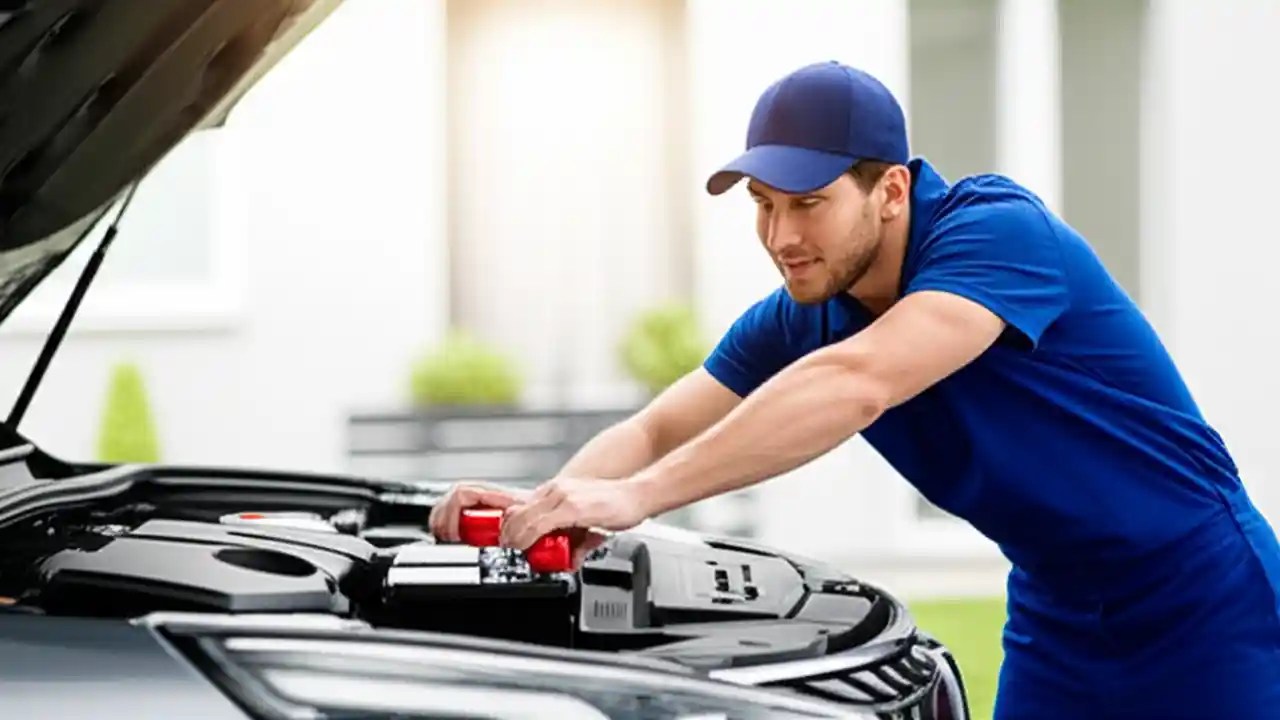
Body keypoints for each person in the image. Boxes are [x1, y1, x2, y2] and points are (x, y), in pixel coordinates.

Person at [428, 60, 1280, 718]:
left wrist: (637, 499)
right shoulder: (809, 309)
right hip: (1058, 612)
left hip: (1200, 597)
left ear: (893, 190)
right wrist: (551, 506)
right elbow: (658, 427)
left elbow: (859, 383)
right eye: (763, 204)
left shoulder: (997, 235)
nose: (780, 235)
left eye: (807, 203)